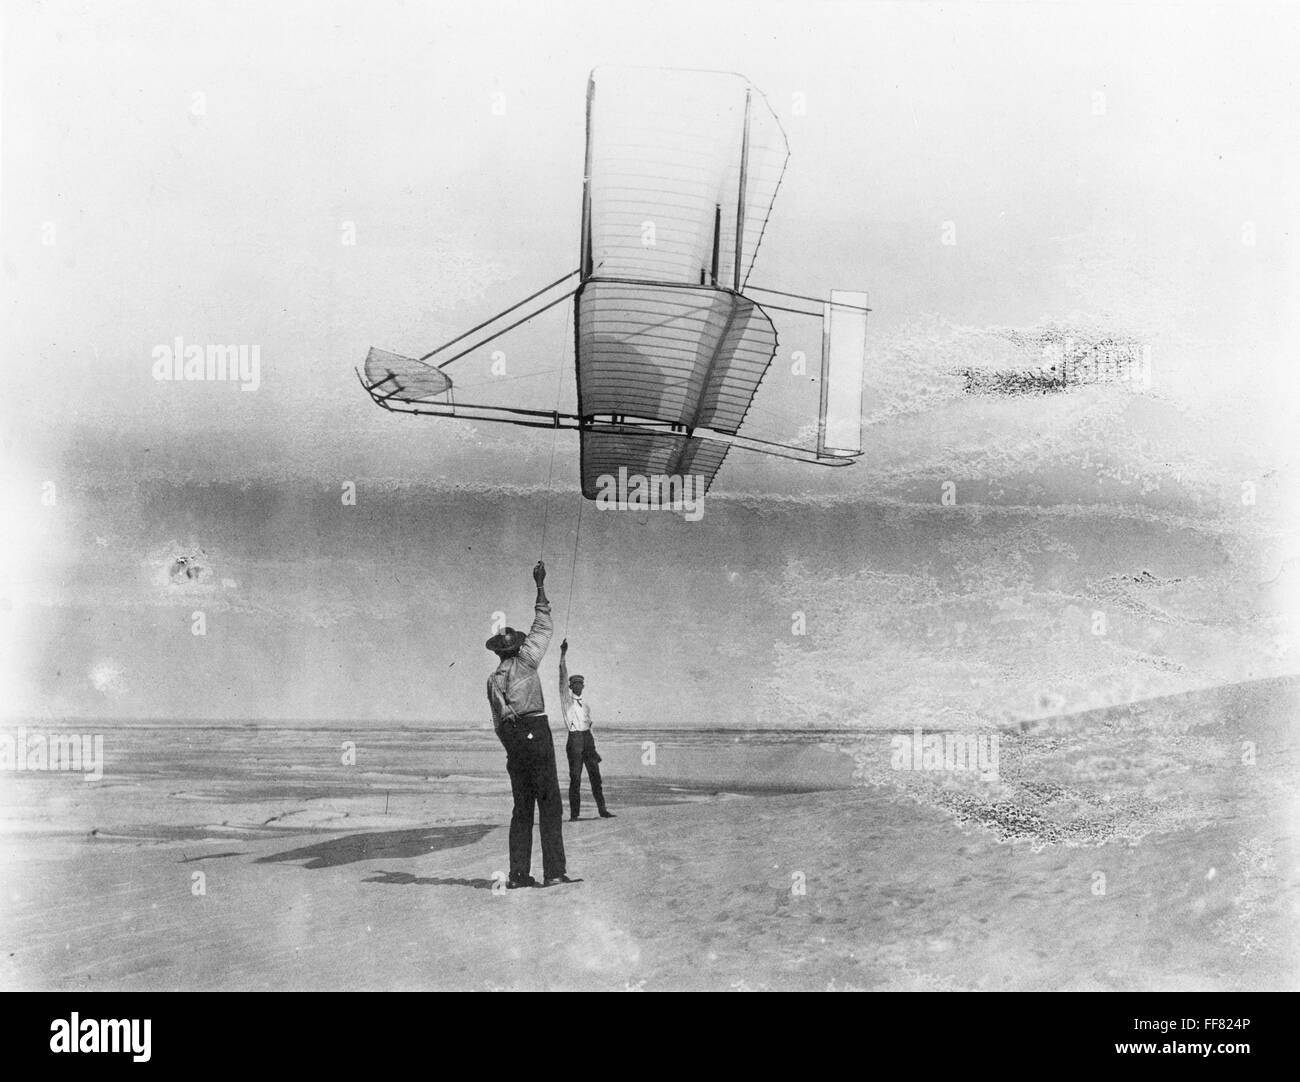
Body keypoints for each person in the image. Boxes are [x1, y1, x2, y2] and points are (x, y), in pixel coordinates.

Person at [485, 560, 573, 888]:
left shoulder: (494, 679)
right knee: (549, 802)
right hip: (536, 733)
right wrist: (539, 585)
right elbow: (544, 625)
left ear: (498, 653)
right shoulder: (526, 663)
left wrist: (514, 743)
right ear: (517, 647)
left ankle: (519, 875)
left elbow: (499, 722)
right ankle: (553, 873)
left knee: (522, 808)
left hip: (513, 741)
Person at [559, 638, 614, 821]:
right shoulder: (567, 701)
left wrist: (593, 747)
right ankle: (574, 815)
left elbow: (590, 726)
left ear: (583, 686)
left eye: (581, 684)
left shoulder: (586, 705)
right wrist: (563, 655)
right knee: (575, 779)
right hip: (574, 740)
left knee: (595, 777)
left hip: (587, 740)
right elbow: (561, 677)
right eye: (575, 684)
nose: (578, 686)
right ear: (570, 686)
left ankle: (602, 810)